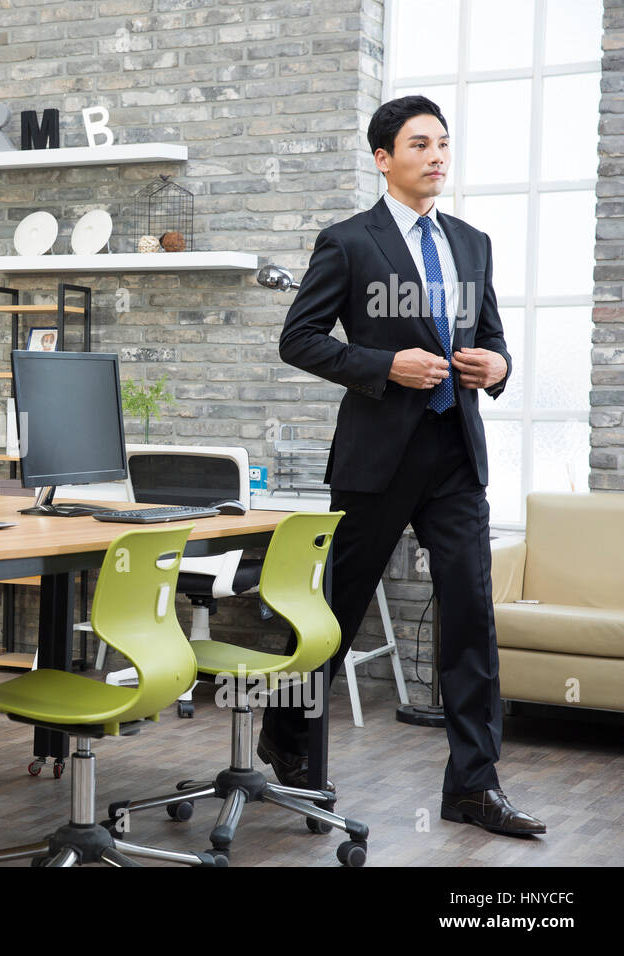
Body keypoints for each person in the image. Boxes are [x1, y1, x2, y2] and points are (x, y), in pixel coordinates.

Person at [263, 95, 545, 836]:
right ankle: (287, 738)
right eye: (420, 144)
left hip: (456, 451)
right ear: (384, 158)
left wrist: (499, 365)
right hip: (378, 457)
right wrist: (386, 364)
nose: (437, 155)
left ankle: (473, 787)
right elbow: (301, 340)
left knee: (471, 621)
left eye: (444, 143)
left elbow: (492, 337)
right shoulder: (349, 242)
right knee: (332, 613)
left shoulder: (472, 242)